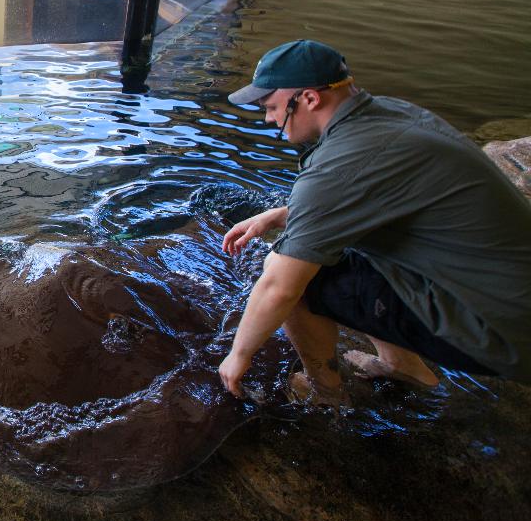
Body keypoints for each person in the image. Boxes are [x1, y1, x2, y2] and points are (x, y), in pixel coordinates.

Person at [217, 40, 531, 406]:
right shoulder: (390, 115)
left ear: (309, 99)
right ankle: (402, 366)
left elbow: (279, 288)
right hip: (509, 299)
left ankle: (325, 395)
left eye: (270, 107)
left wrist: (239, 355)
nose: (269, 118)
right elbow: (367, 196)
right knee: (341, 242)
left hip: (496, 332)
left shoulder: (343, 164)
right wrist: (280, 213)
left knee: (300, 280)